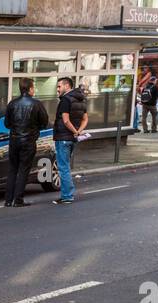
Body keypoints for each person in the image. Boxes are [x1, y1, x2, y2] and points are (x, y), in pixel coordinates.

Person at [2, 77, 49, 207]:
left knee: (12, 169)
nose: (34, 90)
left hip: (14, 140)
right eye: (33, 87)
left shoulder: (12, 104)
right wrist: (35, 128)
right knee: (23, 170)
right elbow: (44, 122)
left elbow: (7, 124)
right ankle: (18, 200)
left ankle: (8, 200)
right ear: (30, 89)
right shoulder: (36, 104)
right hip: (28, 141)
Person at [52, 76, 88, 206]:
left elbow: (65, 120)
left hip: (63, 138)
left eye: (59, 86)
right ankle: (67, 194)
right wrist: (78, 131)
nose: (58, 89)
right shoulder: (81, 99)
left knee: (63, 168)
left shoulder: (65, 100)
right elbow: (85, 119)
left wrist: (73, 130)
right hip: (72, 138)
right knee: (66, 166)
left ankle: (67, 196)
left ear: (67, 86)